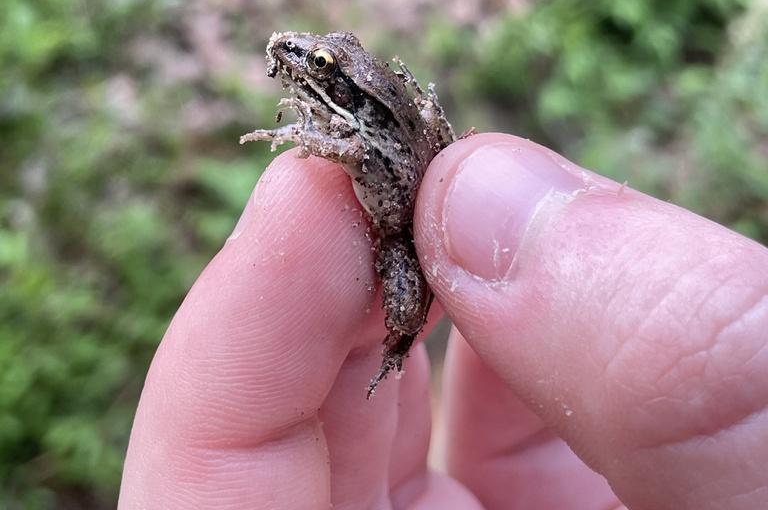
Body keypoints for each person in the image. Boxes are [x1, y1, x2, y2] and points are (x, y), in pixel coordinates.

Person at [118, 133, 768, 509]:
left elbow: (361, 153)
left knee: (393, 302)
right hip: (404, 183)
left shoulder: (353, 135)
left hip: (407, 228)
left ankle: (396, 352)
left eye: (320, 62)